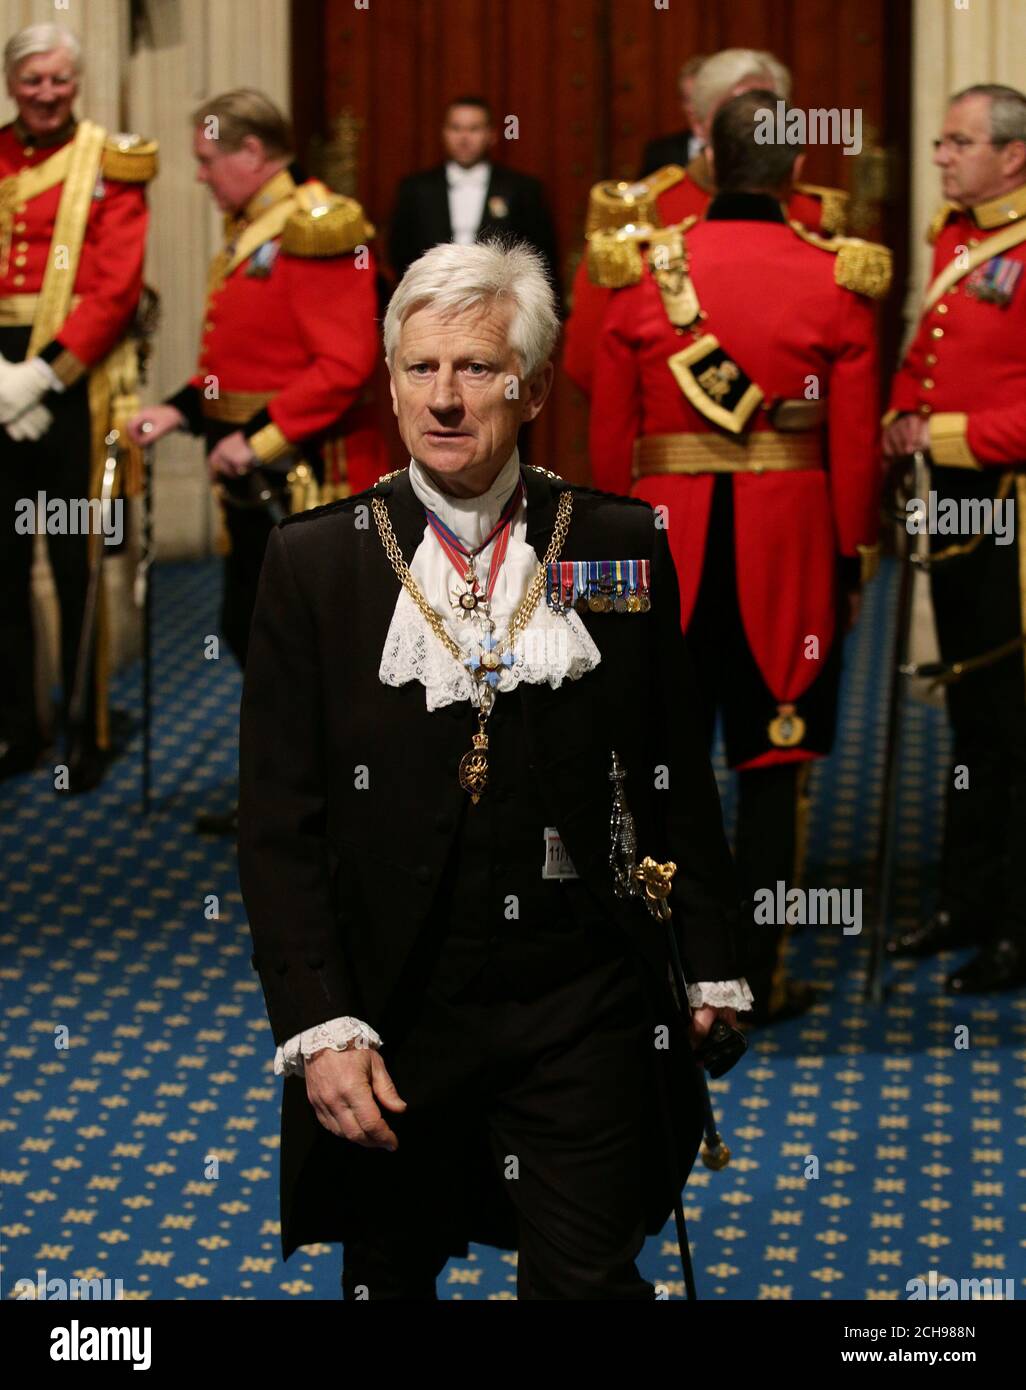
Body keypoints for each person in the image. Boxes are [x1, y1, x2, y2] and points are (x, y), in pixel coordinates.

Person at [237, 240, 748, 1299]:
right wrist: (319, 1025)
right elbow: (279, 826)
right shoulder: (316, 561)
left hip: (581, 995)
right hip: (395, 1006)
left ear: (536, 387)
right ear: (391, 382)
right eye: (421, 368)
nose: (446, 399)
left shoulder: (614, 541)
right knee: (390, 1276)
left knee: (588, 1279)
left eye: (477, 368)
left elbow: (669, 770)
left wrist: (708, 954)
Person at [588, 91, 890, 1025]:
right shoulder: (839, 276)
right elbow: (854, 450)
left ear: (705, 165)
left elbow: (608, 439)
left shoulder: (641, 272)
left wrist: (605, 568)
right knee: (772, 767)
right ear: (799, 171)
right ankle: (752, 976)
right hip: (790, 550)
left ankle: (657, 964)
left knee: (649, 767)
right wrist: (849, 559)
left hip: (656, 547)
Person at [128, 89, 383, 835]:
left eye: (208, 161)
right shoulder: (255, 226)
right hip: (251, 473)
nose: (201, 177)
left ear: (250, 153)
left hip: (308, 469)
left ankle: (333, 800)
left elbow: (346, 364)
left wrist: (263, 436)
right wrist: (181, 407)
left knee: (312, 645)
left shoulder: (315, 226)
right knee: (258, 632)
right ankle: (292, 795)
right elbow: (246, 358)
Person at [884, 84, 1026, 994]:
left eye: (959, 142)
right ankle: (965, 904)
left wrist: (937, 432)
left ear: (1013, 156)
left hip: (1015, 511)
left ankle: (1016, 927)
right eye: (940, 141)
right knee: (973, 717)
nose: (940, 155)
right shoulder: (957, 236)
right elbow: (926, 353)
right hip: (958, 505)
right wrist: (903, 410)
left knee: (1014, 724)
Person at [0, 22, 154, 791]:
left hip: (72, 393)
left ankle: (85, 730)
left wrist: (40, 380)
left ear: (77, 82)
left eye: (59, 79)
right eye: (33, 80)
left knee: (76, 559)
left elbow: (115, 287)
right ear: (10, 82)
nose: (47, 93)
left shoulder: (111, 161)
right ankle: (16, 728)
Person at [564, 48, 849, 395]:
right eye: (737, 111)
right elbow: (589, 359)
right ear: (698, 124)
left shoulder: (815, 215)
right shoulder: (644, 211)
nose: (754, 125)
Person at [388, 96, 558, 292]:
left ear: (492, 135)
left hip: (500, 301)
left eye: (474, 129)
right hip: (430, 297)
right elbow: (400, 252)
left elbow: (541, 257)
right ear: (444, 133)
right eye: (456, 128)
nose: (464, 138)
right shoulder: (415, 189)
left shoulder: (522, 189)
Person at [638, 55, 707, 178]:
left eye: (699, 98)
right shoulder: (659, 152)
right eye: (687, 99)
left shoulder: (739, 151)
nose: (692, 108)